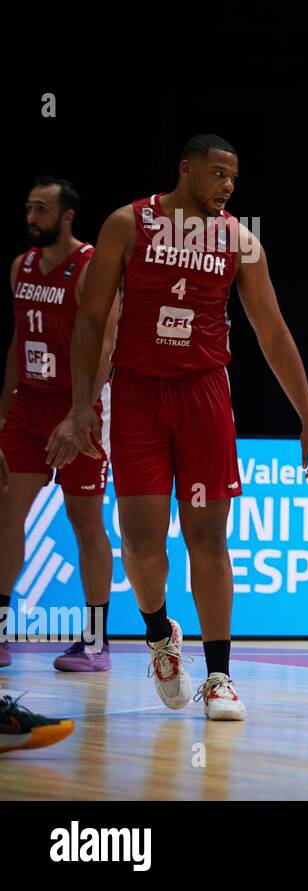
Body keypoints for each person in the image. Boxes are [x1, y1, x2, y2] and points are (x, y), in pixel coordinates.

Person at [50, 134, 308, 721]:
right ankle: (159, 639)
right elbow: (92, 318)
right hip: (137, 393)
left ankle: (220, 676)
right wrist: (80, 408)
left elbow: (273, 332)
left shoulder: (241, 243)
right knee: (143, 543)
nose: (228, 186)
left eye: (234, 178)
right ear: (186, 170)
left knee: (209, 536)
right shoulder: (127, 223)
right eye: (219, 174)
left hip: (204, 394)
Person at [0, 177, 118, 671]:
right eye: (28, 207)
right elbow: (15, 342)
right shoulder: (20, 266)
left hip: (78, 409)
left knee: (85, 522)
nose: (31, 217)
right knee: (7, 511)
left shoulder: (90, 266)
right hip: (28, 407)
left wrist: (80, 413)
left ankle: (95, 642)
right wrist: (4, 412)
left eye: (42, 209)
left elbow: (108, 344)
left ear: (67, 215)